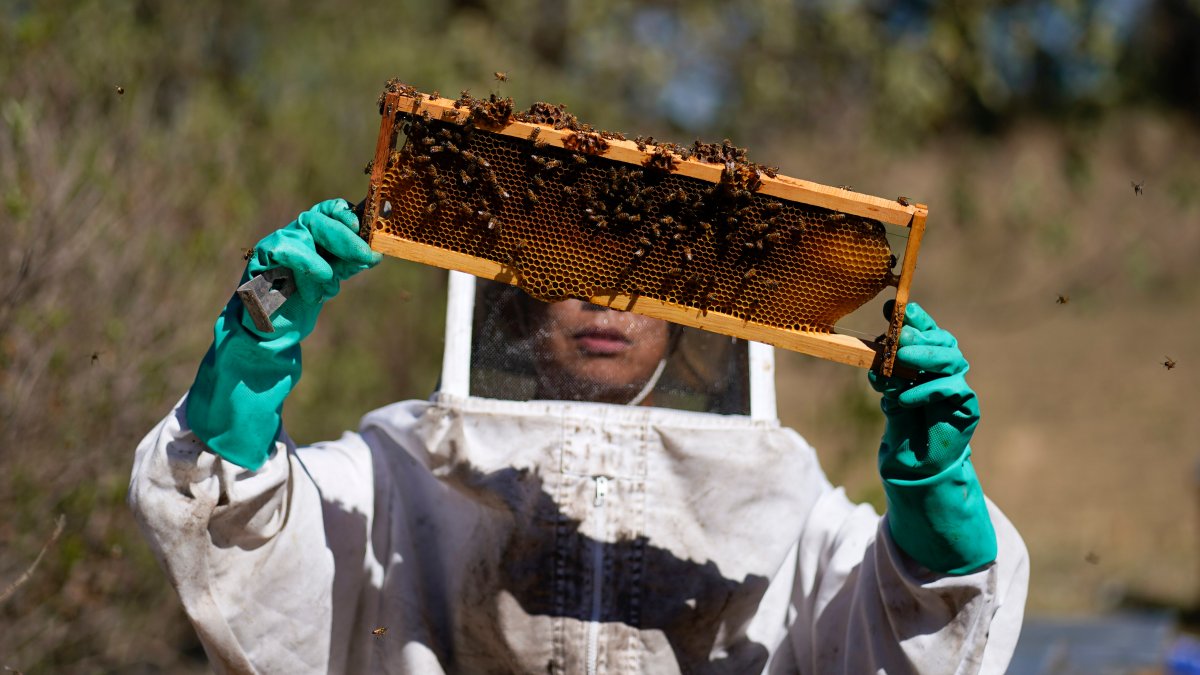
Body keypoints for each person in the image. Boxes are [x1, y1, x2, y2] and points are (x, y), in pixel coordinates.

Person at [130, 199, 1028, 674]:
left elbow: (917, 621)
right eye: (575, 267)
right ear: (515, 294)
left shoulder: (780, 492)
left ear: (691, 318)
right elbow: (241, 519)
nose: (609, 299)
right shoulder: (407, 465)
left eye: (647, 275)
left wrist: (933, 490)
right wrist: (252, 353)